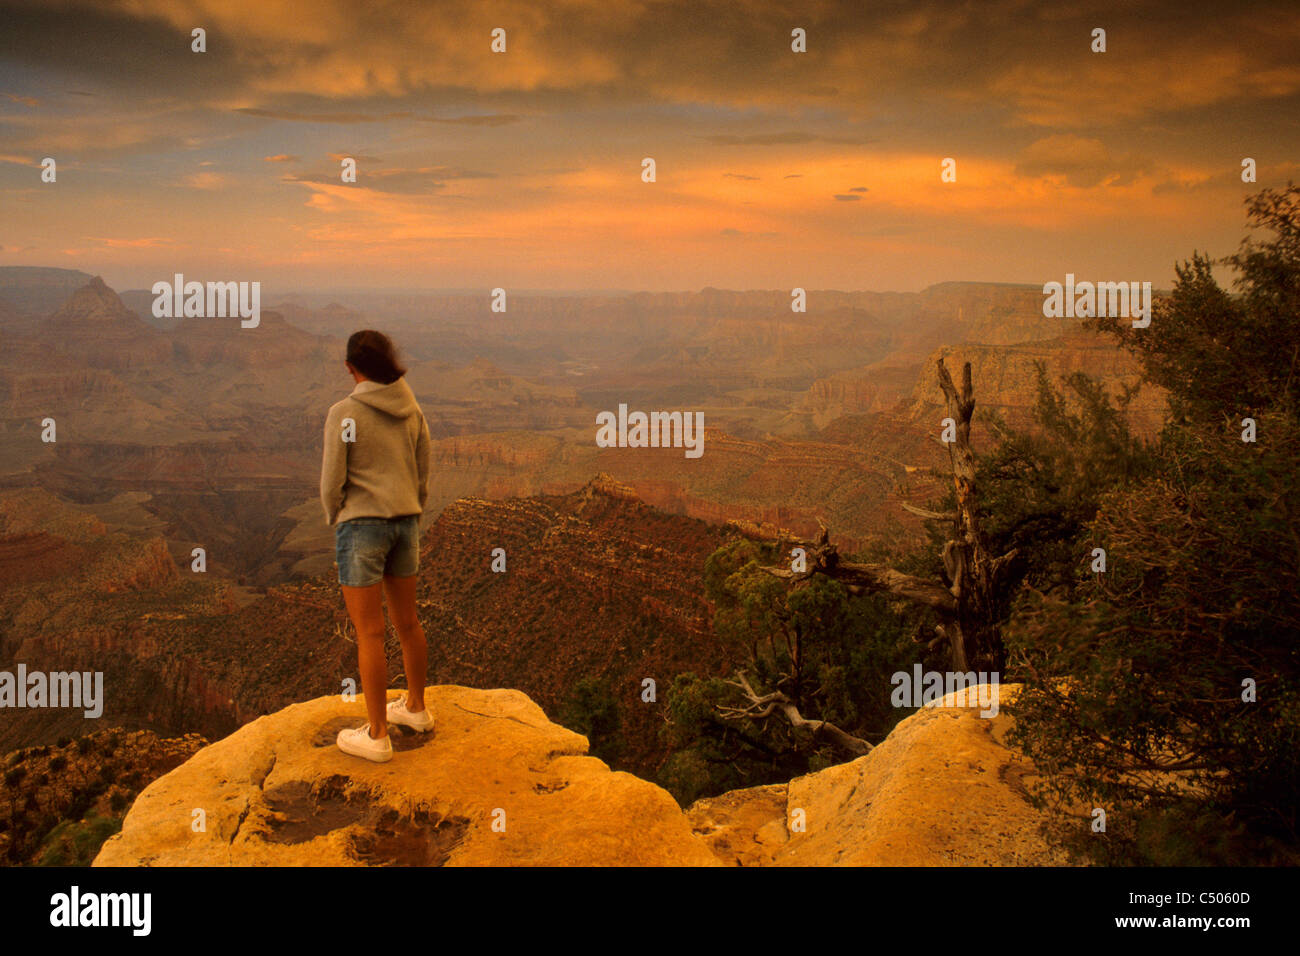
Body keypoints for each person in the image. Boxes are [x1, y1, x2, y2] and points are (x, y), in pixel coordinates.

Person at [321, 330, 434, 762]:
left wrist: (337, 516)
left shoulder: (344, 413)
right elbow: (423, 472)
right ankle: (417, 709)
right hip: (406, 523)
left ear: (351, 368)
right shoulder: (411, 409)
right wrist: (410, 509)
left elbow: (333, 479)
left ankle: (377, 735)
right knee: (408, 623)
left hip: (363, 527)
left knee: (369, 631)